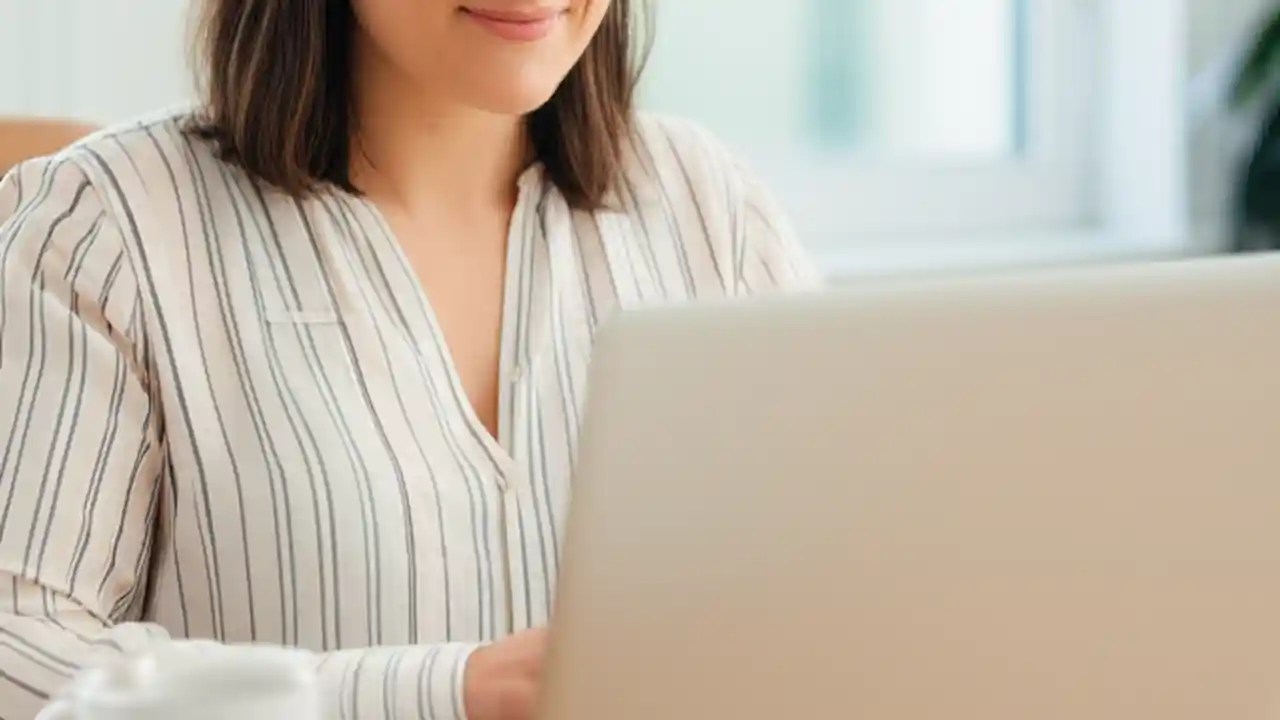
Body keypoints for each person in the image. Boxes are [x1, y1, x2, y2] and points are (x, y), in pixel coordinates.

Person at [0, 0, 819, 718]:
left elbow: (844, 591)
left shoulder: (713, 212)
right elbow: (18, 655)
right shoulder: (101, 231)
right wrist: (436, 695)